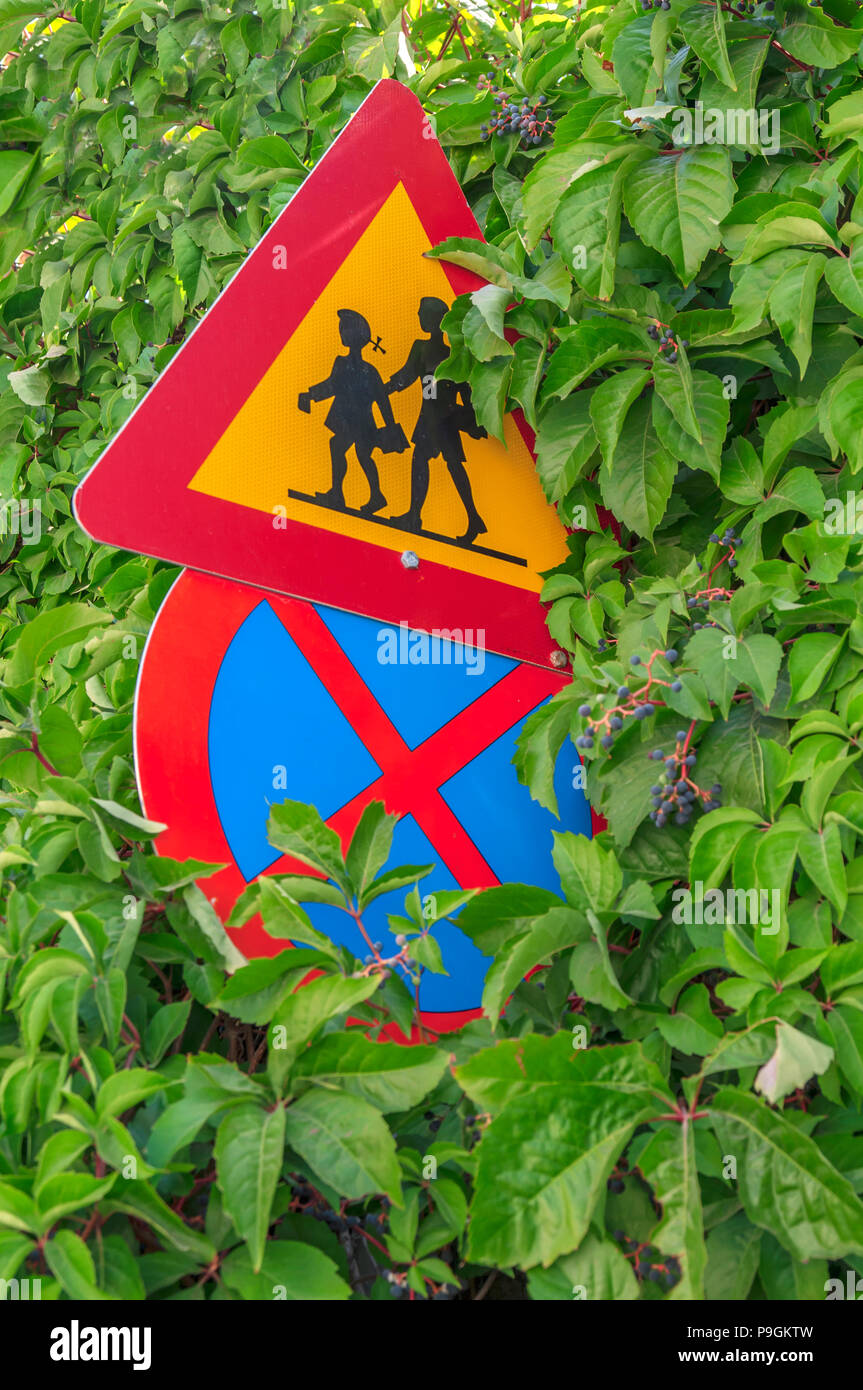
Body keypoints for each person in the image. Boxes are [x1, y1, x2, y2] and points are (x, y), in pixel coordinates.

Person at [386, 296, 488, 545]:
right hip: (431, 415)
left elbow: (465, 385)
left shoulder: (451, 352)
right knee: (425, 459)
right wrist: (385, 386)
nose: (419, 317)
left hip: (443, 418)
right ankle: (416, 516)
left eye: (422, 314)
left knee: (451, 466)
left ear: (432, 320)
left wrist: (474, 419)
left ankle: (471, 517)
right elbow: (406, 375)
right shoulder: (422, 348)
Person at [298, 309, 406, 515]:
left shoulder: (362, 368)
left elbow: (382, 400)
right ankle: (369, 495)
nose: (341, 333)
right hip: (354, 421)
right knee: (359, 454)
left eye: (345, 329)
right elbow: (331, 386)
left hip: (358, 422)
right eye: (341, 329)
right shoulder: (350, 365)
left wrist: (391, 428)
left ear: (355, 335)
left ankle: (344, 494)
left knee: (347, 450)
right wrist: (309, 395)